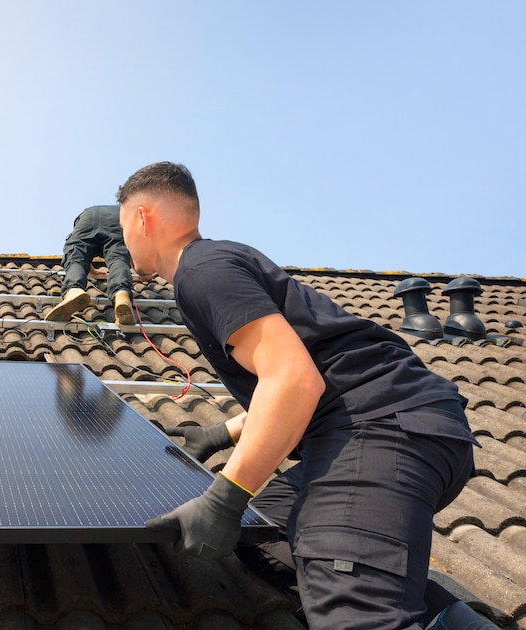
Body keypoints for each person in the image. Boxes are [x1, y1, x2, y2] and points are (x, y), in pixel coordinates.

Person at [123, 162, 489, 629]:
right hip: (403, 426)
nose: (123, 244)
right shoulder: (217, 261)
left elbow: (295, 381)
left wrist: (224, 497)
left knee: (354, 615)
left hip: (378, 428)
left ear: (142, 218)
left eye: (122, 228)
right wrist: (218, 434)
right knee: (263, 536)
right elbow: (308, 373)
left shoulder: (200, 270)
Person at [43, 205, 135, 326]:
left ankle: (74, 290)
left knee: (76, 255)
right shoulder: (124, 209)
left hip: (87, 217)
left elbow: (81, 254)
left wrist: (89, 269)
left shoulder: (88, 215)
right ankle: (121, 295)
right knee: (118, 257)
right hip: (117, 219)